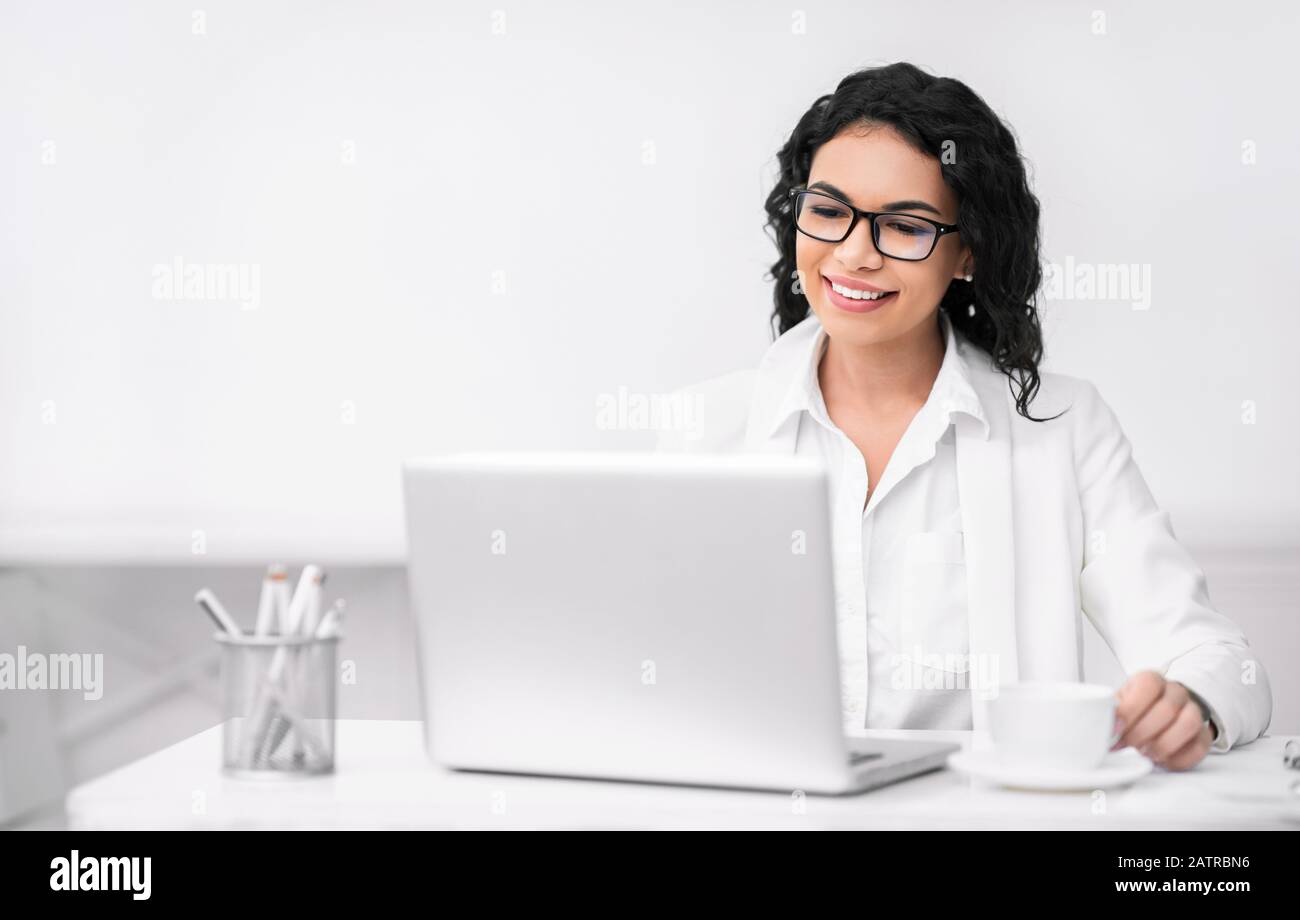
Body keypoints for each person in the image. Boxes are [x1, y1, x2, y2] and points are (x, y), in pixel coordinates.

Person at [657, 62, 1271, 771]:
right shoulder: (703, 428)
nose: (854, 254)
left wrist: (1190, 702)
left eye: (906, 225)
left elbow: (1222, 662)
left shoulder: (1064, 430)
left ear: (967, 252)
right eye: (827, 210)